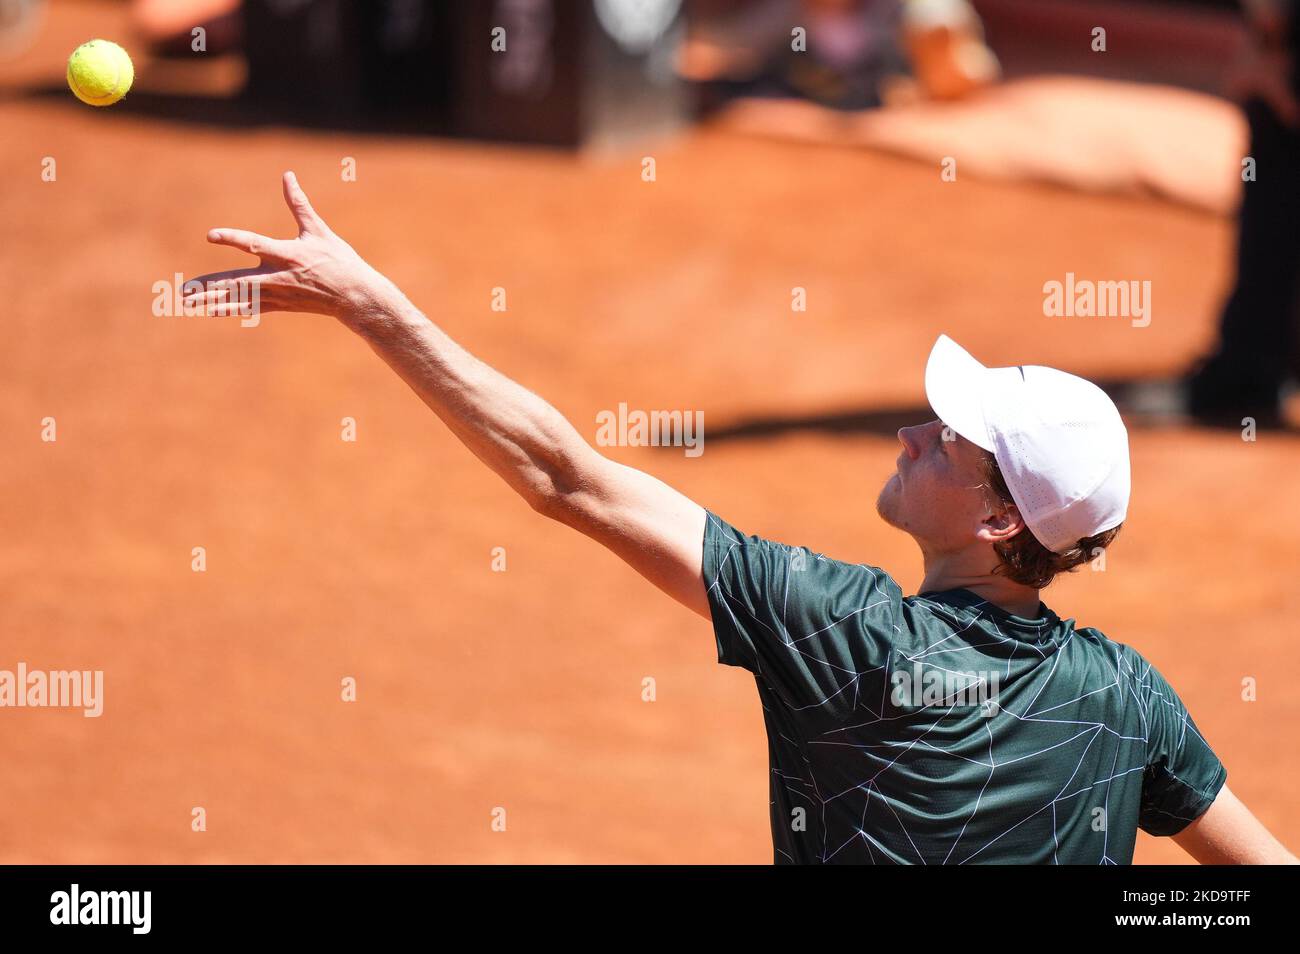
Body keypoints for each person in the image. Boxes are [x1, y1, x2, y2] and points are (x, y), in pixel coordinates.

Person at [183, 172, 1297, 864]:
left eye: (944, 442)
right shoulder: (1126, 701)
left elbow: (565, 477)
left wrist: (370, 307)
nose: (909, 432)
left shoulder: (849, 635)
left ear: (1003, 519)